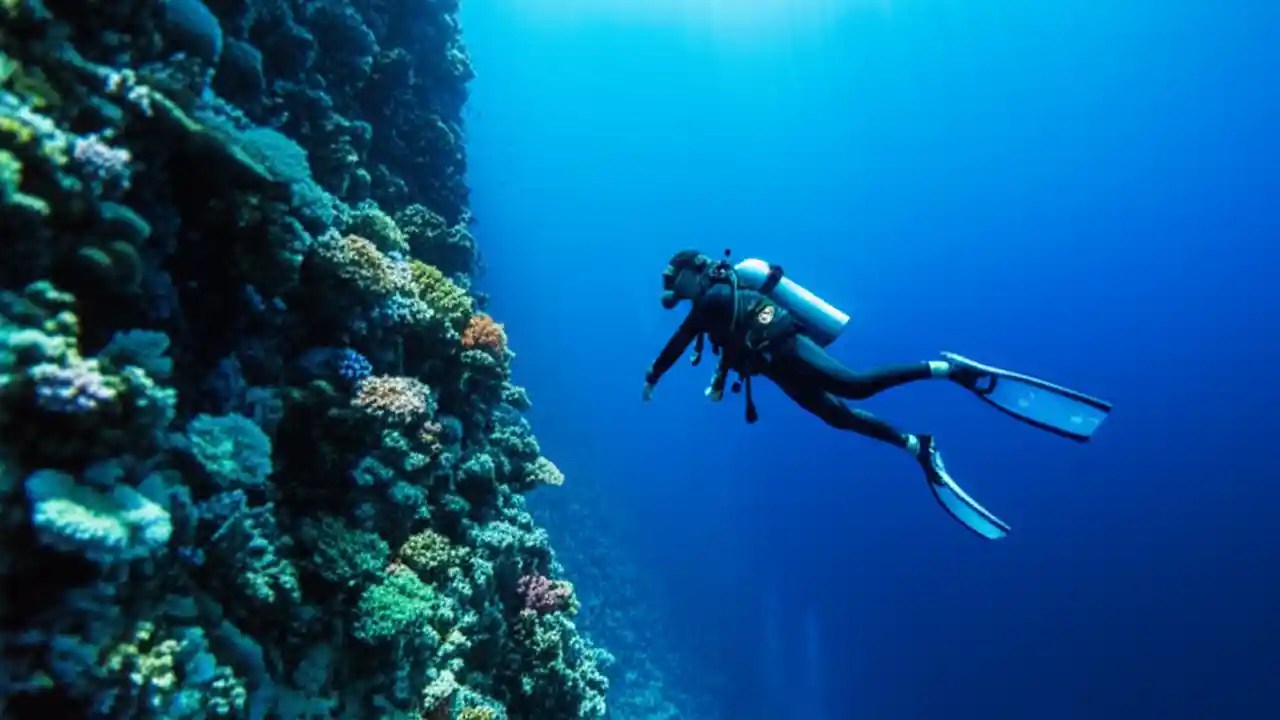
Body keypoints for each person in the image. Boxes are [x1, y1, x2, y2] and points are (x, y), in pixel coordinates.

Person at [642, 249, 1112, 540]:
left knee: (855, 384)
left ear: (691, 271)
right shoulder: (706, 306)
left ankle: (950, 370)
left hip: (783, 343)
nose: (669, 285)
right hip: (774, 365)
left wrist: (653, 375)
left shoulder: (711, 297)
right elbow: (690, 338)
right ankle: (918, 446)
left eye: (672, 276)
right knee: (839, 416)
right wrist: (657, 375)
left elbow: (682, 337)